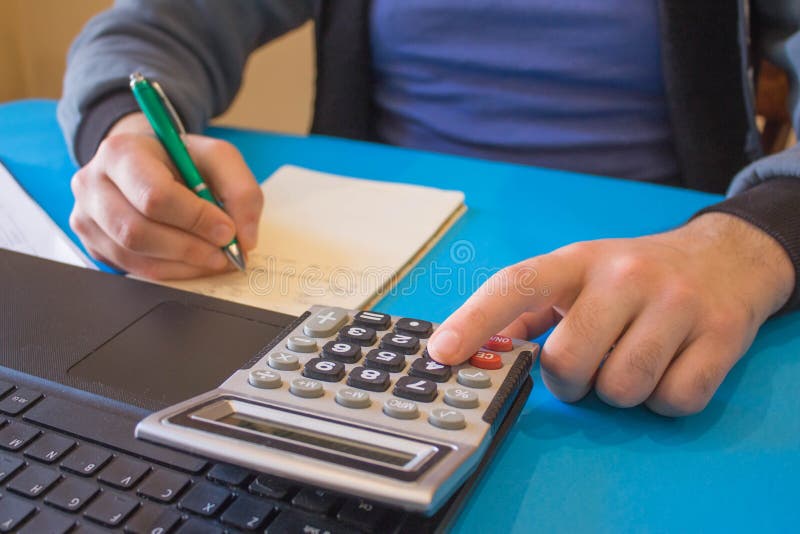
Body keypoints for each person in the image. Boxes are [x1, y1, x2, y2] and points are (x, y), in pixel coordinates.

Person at [58, 1, 800, 417]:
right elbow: (152, 26)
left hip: (659, 259)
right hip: (375, 252)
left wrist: (752, 237)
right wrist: (123, 130)